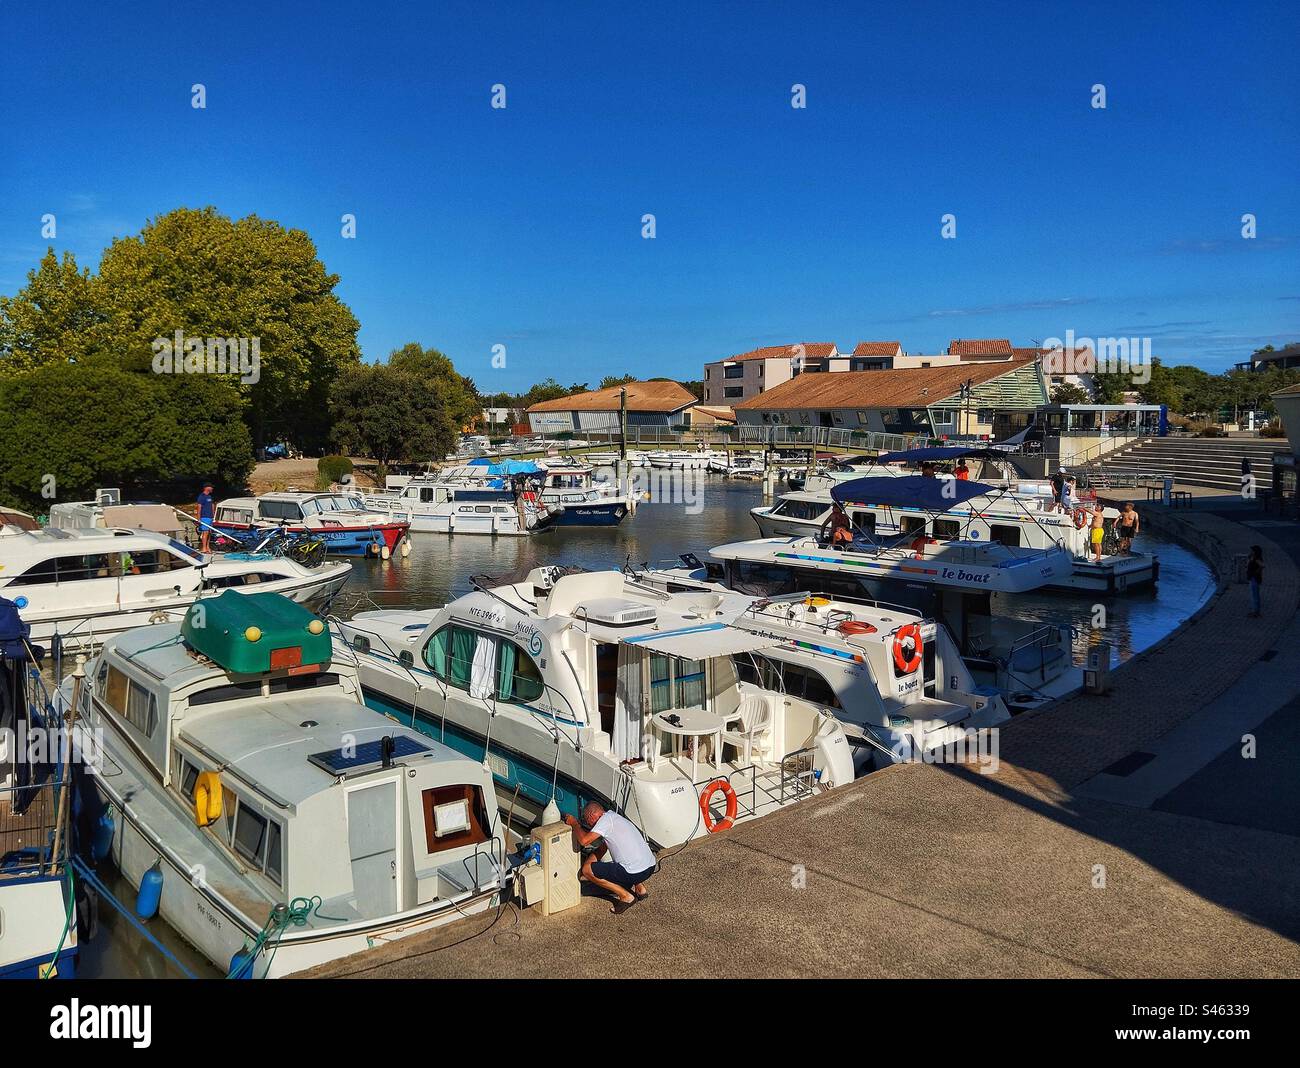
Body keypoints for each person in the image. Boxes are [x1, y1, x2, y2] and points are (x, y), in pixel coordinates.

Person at [563, 802, 655, 914]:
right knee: (630, 858)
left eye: (588, 822)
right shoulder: (614, 817)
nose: (590, 826)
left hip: (635, 872)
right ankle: (640, 889)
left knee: (587, 870)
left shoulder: (604, 822)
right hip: (649, 866)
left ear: (591, 816)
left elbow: (584, 841)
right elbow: (602, 849)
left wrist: (574, 823)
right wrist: (587, 865)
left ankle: (626, 896)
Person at [197, 482, 215, 552]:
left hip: (210, 517)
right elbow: (199, 508)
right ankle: (204, 548)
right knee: (205, 532)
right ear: (207, 488)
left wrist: (213, 516)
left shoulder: (210, 496)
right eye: (211, 487)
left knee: (209, 533)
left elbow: (212, 505)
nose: (212, 488)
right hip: (204, 517)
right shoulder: (201, 496)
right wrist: (198, 518)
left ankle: (208, 547)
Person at [1247, 545, 1264, 617]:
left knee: (1255, 595)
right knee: (1253, 594)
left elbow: (1262, 565)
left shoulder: (1257, 558)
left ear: (1255, 551)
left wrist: (1256, 572)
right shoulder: (1252, 557)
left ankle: (1256, 612)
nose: (1250, 551)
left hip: (1255, 578)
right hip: (1251, 577)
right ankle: (1255, 611)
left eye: (1252, 550)